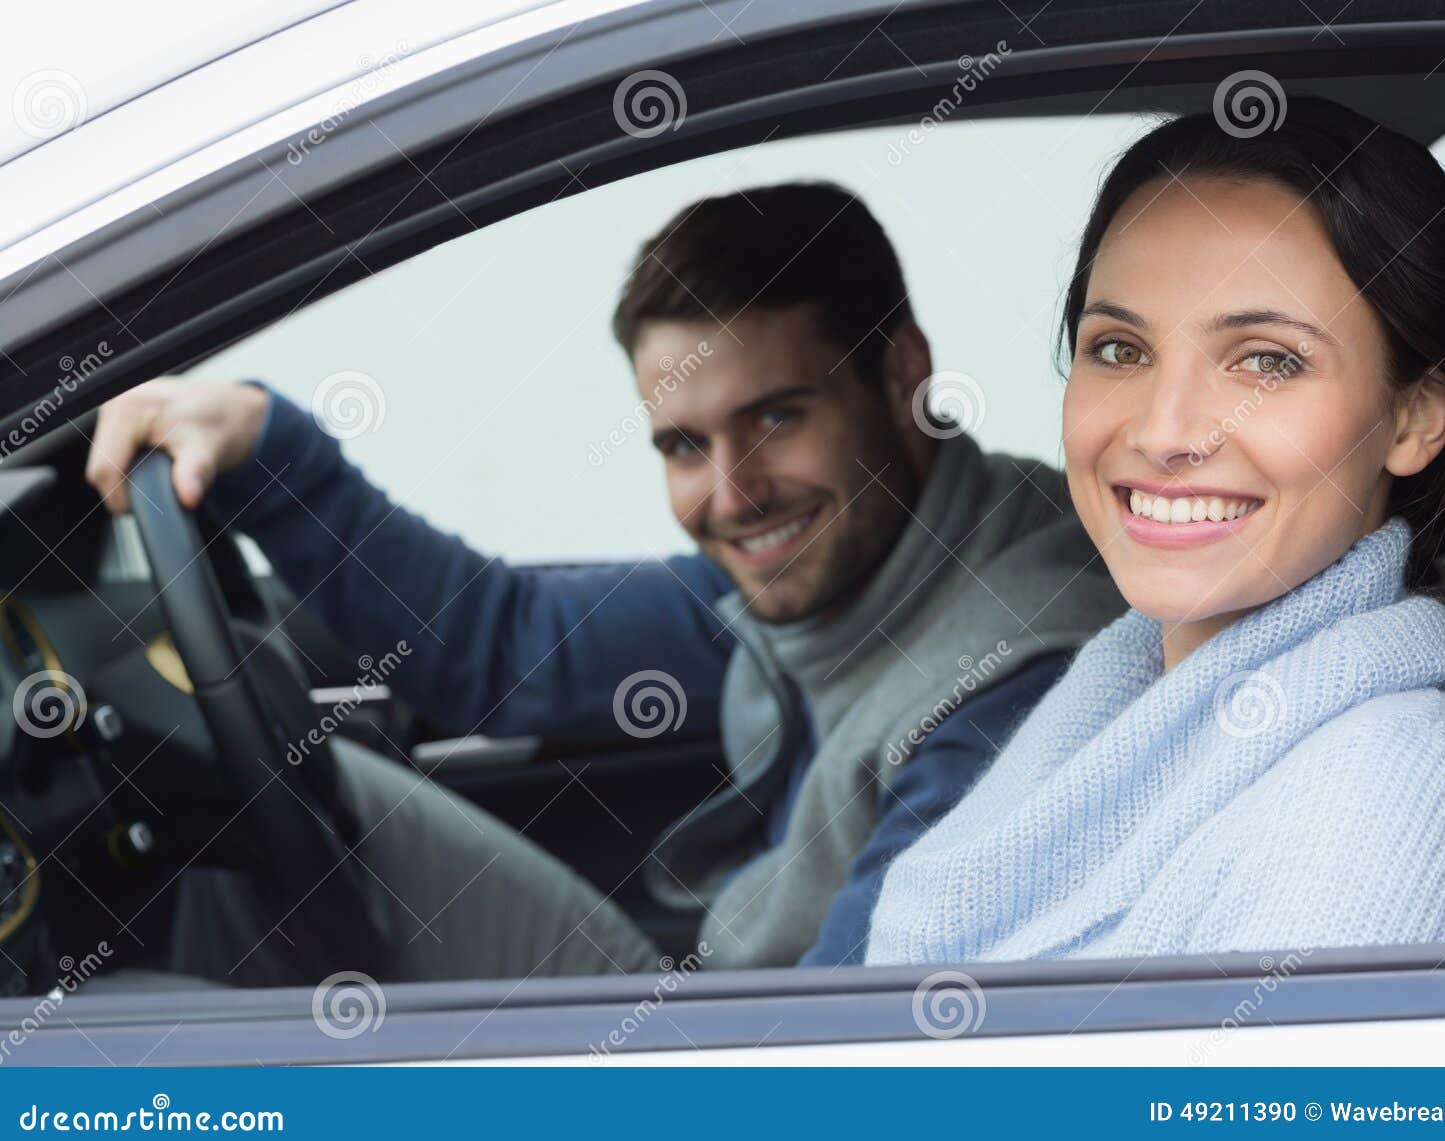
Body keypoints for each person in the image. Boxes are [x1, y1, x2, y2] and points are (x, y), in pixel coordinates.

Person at [87, 182, 1125, 983]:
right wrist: (271, 451)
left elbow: (850, 1055)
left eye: (775, 417)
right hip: (731, 1006)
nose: (733, 494)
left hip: (759, 1070)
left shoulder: (1005, 686)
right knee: (262, 803)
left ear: (902, 375)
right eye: (682, 442)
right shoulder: (845, 561)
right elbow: (502, 644)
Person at [865, 99, 1445, 965]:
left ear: (1414, 416)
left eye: (1267, 360)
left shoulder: (1390, 809)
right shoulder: (1114, 706)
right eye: (1120, 350)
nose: (1164, 431)